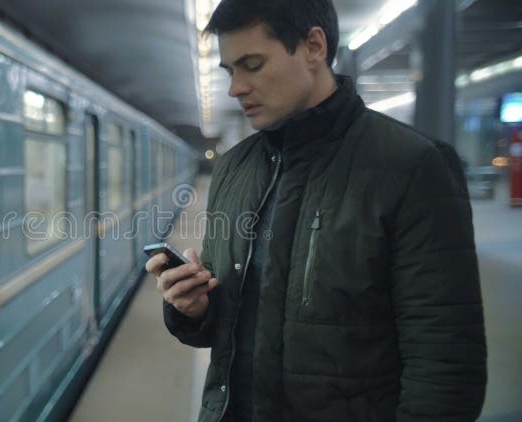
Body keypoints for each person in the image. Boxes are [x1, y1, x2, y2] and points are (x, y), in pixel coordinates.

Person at [145, 1, 486, 420]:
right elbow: (227, 325)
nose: (235, 87)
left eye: (252, 65)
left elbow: (445, 365)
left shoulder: (412, 166)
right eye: (229, 71)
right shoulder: (234, 169)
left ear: (313, 46)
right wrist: (195, 309)